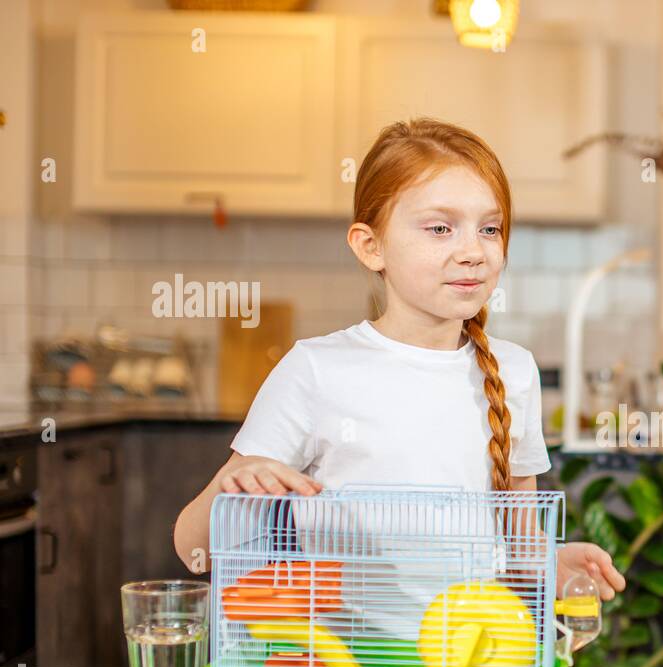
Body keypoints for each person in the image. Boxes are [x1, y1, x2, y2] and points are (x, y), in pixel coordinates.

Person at [174, 118, 626, 610]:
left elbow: (518, 545)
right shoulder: (315, 370)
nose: (473, 252)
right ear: (371, 246)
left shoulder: (514, 372)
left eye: (490, 228)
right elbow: (193, 551)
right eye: (440, 228)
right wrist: (230, 485)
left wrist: (550, 561)